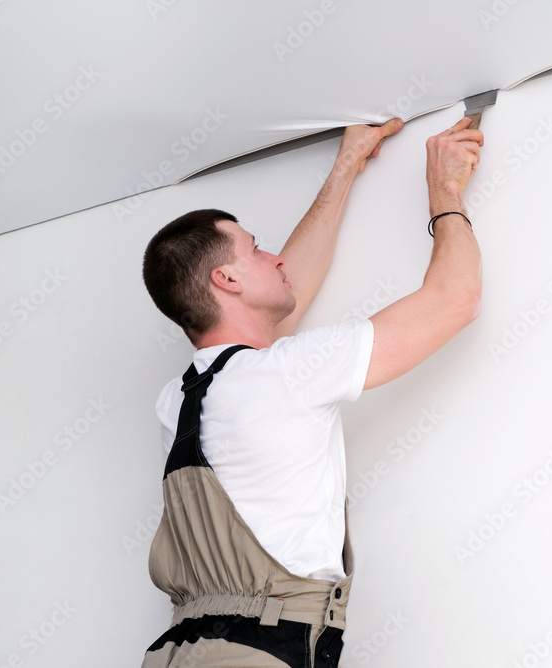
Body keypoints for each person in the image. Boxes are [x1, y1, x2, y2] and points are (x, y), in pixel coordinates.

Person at [139, 115, 483, 667]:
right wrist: (444, 190)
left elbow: (277, 303)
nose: (275, 257)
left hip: (181, 652)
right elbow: (454, 300)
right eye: (255, 249)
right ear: (227, 282)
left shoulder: (181, 399)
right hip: (260, 649)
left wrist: (347, 165)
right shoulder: (285, 373)